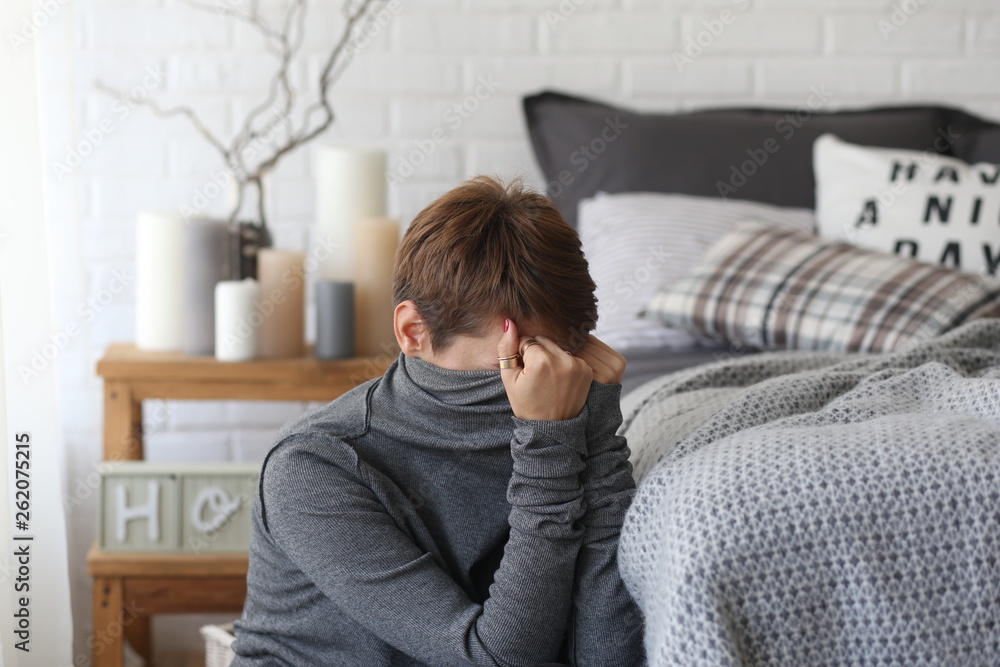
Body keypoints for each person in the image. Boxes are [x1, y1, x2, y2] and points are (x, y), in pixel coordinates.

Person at [231, 175, 645, 666]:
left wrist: (596, 432)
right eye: (515, 362)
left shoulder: (562, 413)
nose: (549, 382)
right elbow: (490, 660)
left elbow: (607, 659)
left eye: (563, 357)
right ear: (413, 332)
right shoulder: (313, 469)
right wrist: (549, 450)